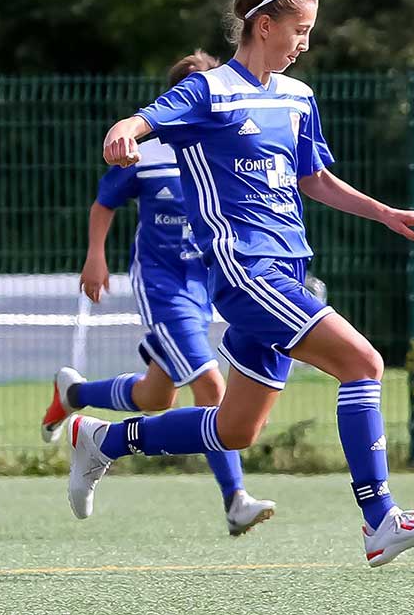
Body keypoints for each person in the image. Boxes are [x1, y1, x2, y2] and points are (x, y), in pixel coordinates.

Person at [69, 0, 414, 567]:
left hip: (289, 267)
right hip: (243, 270)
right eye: (300, 31)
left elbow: (315, 180)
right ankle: (380, 518)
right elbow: (143, 121)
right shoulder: (208, 91)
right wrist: (123, 132)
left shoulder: (298, 97)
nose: (305, 43)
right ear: (265, 26)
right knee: (363, 363)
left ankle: (101, 440)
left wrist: (386, 212)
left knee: (234, 428)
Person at [41, 50, 276, 536]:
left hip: (205, 286)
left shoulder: (223, 150)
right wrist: (95, 256)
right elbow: (104, 202)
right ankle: (235, 499)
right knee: (211, 388)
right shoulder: (147, 154)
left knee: (155, 395)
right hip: (162, 286)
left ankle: (75, 394)